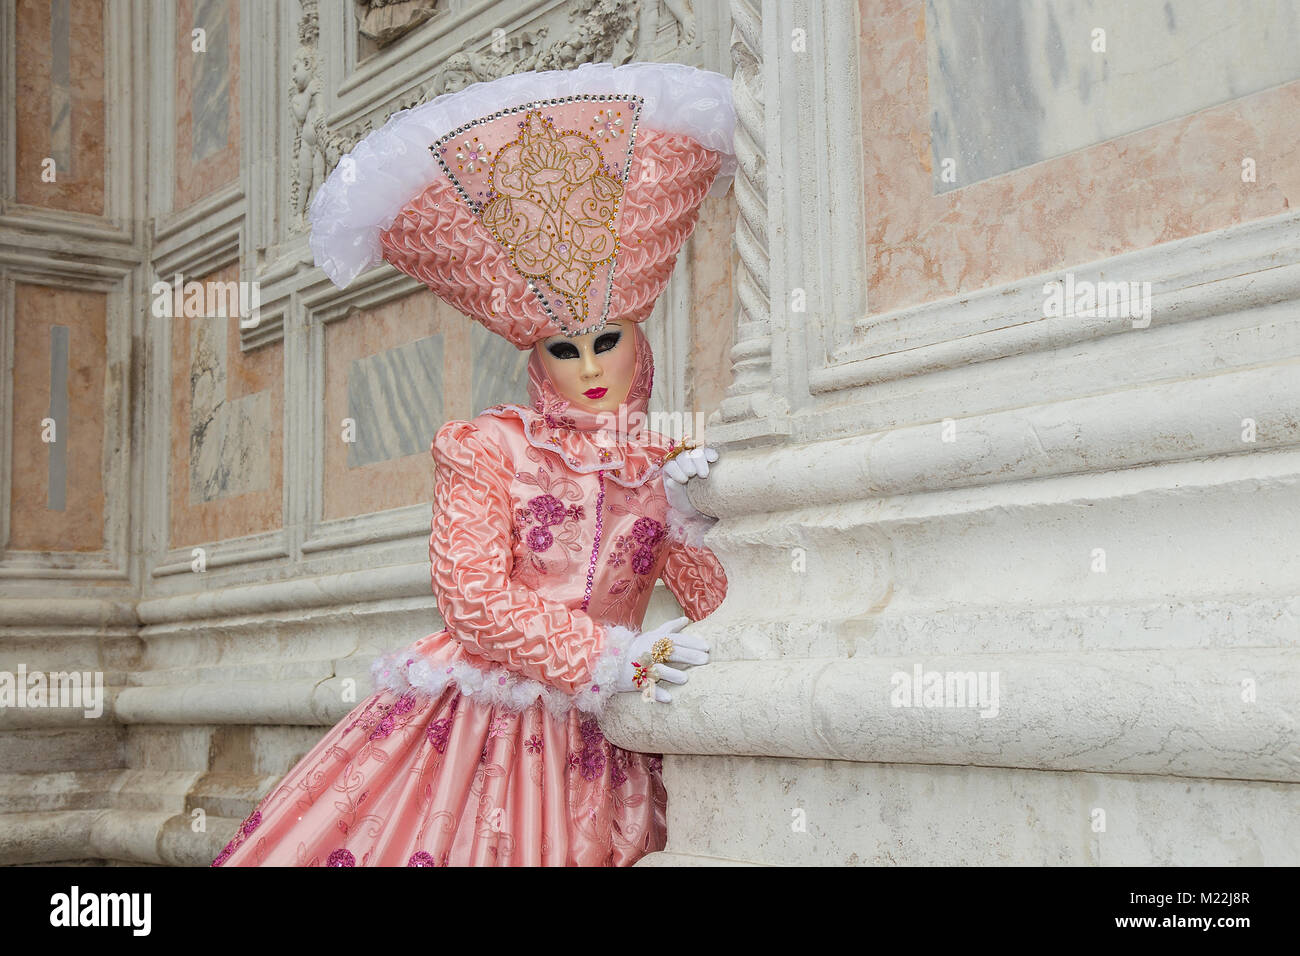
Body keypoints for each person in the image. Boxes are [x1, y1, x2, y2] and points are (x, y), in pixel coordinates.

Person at [212, 61, 736, 867]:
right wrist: (609, 657)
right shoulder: (489, 445)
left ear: (640, 344)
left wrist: (695, 512)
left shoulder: (660, 459)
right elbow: (474, 603)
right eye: (565, 348)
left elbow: (716, 606)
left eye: (607, 340)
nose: (590, 365)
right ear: (538, 359)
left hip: (612, 738)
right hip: (489, 728)